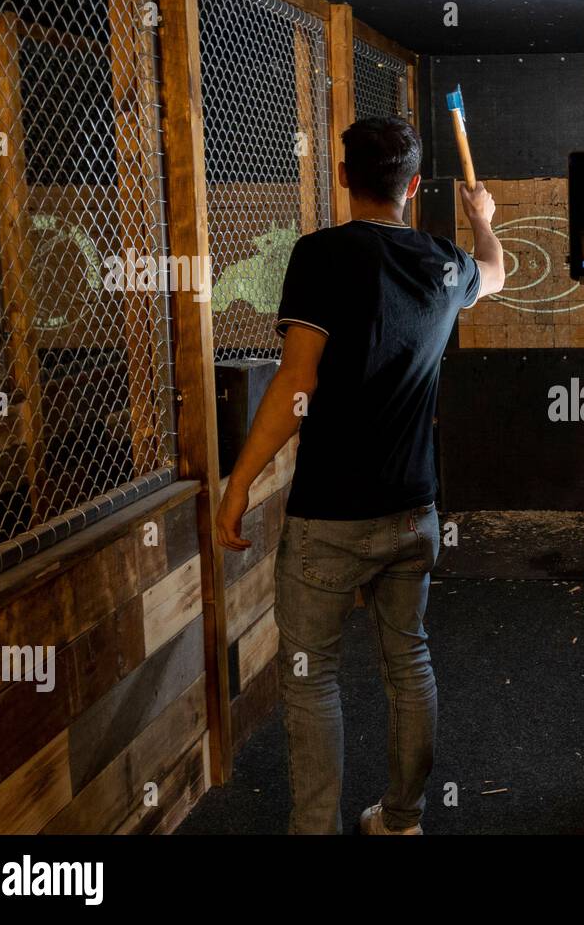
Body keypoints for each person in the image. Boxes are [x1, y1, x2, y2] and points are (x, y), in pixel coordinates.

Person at [215, 116, 505, 834]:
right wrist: (482, 220)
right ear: (413, 185)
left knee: (312, 677)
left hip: (327, 517)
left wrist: (240, 481)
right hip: (413, 511)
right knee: (409, 662)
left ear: (343, 177)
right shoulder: (446, 262)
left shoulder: (321, 255)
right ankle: (402, 820)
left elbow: (294, 383)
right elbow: (499, 272)